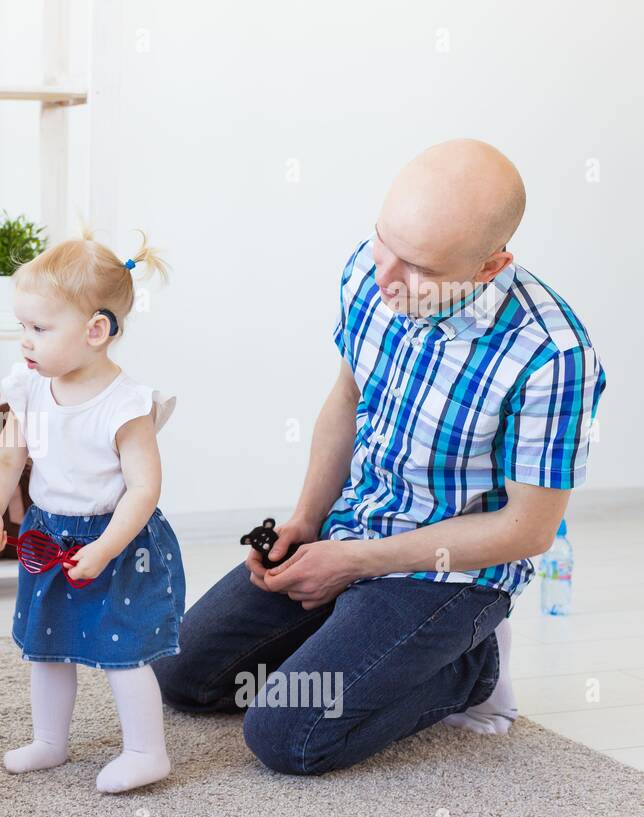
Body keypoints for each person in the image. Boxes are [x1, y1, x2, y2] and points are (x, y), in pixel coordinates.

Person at [153, 139, 607, 774]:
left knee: (287, 737)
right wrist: (306, 522)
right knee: (179, 676)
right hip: (352, 527)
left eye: (419, 267)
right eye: (382, 241)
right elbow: (345, 396)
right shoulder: (374, 275)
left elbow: (526, 531)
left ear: (489, 266)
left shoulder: (552, 356)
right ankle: (355, 637)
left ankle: (469, 670)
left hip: (450, 576)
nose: (386, 276)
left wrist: (352, 564)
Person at [0, 230, 184, 793]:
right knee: (46, 642)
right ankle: (50, 739)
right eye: (22, 326)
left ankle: (146, 751)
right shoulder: (31, 387)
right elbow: (5, 458)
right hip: (48, 535)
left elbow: (143, 489)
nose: (25, 340)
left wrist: (105, 549)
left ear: (97, 330)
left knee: (124, 651)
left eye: (39, 328)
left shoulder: (126, 405)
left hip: (116, 540)